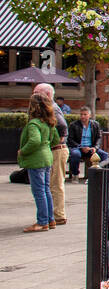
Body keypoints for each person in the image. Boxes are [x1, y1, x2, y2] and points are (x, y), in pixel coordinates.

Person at [18, 93, 57, 232]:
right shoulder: (49, 122)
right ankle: (50, 220)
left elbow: (35, 141)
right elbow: (55, 139)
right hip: (47, 157)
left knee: (39, 191)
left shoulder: (34, 123)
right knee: (46, 189)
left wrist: (23, 151)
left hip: (37, 160)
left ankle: (42, 222)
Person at [34, 84, 67, 225]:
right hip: (55, 149)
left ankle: (59, 215)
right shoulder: (49, 108)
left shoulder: (52, 108)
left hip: (57, 150)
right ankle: (53, 216)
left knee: (56, 184)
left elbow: (62, 126)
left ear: (47, 95)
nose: (33, 95)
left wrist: (55, 140)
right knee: (51, 184)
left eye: (36, 93)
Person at [67, 107, 101, 182]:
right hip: (77, 147)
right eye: (81, 114)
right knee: (75, 155)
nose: (83, 116)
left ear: (90, 115)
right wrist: (81, 147)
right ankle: (75, 174)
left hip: (91, 148)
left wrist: (95, 147)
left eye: (85, 114)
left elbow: (99, 138)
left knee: (104, 155)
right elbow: (70, 139)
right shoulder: (73, 125)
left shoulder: (95, 124)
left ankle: (99, 175)